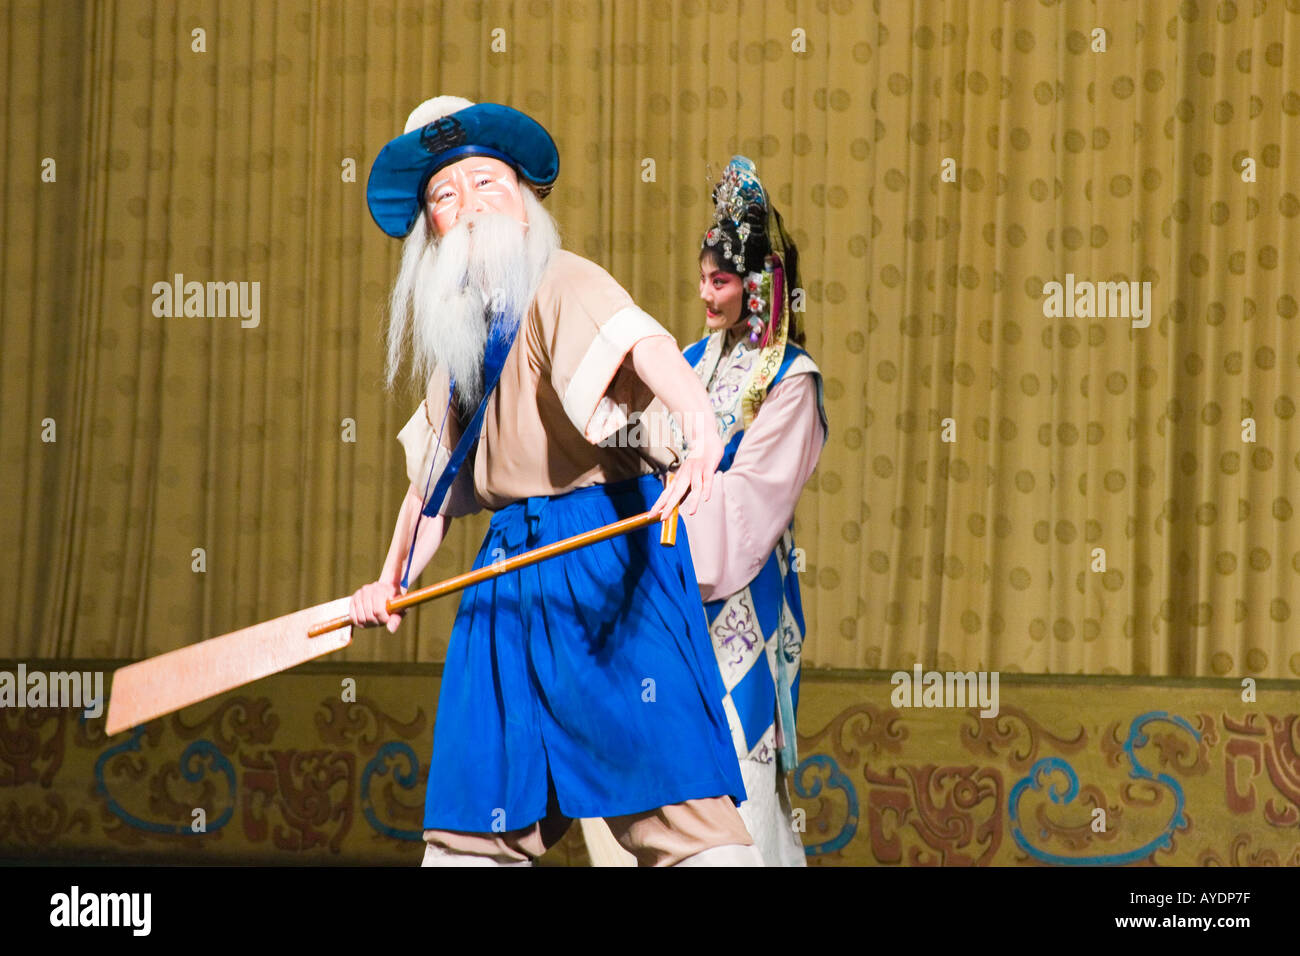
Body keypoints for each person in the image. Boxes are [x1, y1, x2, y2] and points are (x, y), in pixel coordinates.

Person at [350, 96, 761, 866]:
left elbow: (645, 350)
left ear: (526, 200)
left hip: (606, 558)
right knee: (476, 816)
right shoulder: (458, 345)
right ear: (429, 228)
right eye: (444, 195)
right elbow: (429, 493)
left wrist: (699, 429)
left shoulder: (564, 278)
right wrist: (389, 581)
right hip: (507, 574)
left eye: (486, 184)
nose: (467, 208)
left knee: (678, 811)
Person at [684, 157, 828, 866]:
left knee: (740, 778)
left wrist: (663, 527)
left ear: (759, 283)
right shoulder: (681, 362)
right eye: (703, 278)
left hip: (738, 596)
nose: (706, 295)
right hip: (672, 603)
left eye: (721, 280)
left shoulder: (792, 380)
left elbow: (750, 505)